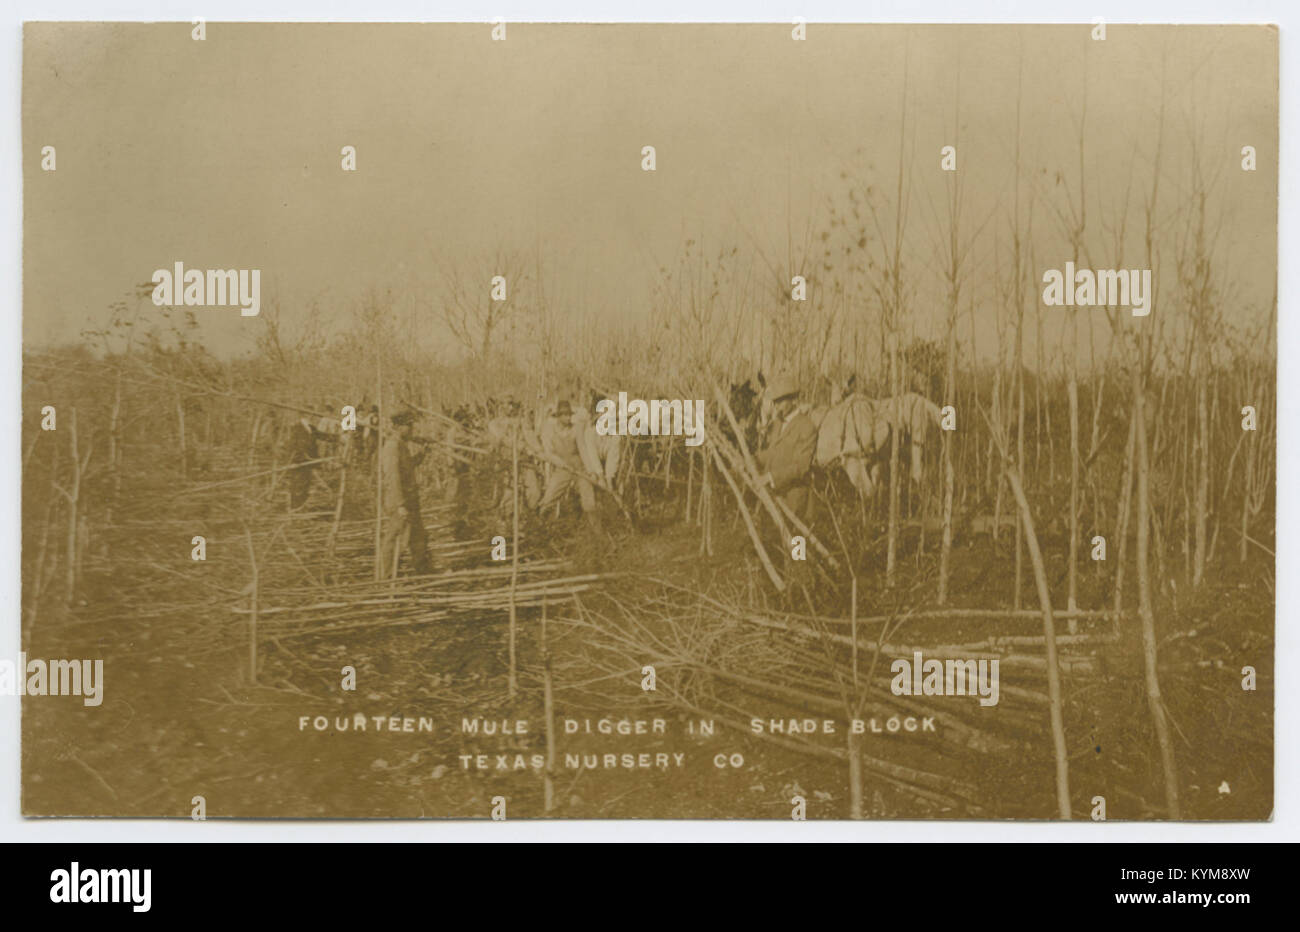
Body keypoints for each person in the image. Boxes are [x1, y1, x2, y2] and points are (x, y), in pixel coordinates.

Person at [755, 374, 819, 518]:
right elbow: (772, 453)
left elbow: (801, 467)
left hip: (794, 501)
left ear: (793, 400)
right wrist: (754, 458)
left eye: (781, 402)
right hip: (773, 498)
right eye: (775, 403)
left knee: (793, 539)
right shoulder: (777, 424)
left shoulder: (807, 427)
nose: (777, 407)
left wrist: (771, 477)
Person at [378, 409, 433, 577]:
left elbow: (407, 467)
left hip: (410, 499)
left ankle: (422, 571)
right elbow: (392, 477)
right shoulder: (392, 447)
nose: (411, 430)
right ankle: (386, 575)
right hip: (399, 501)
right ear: (397, 427)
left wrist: (422, 454)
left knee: (418, 536)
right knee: (394, 537)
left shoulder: (401, 445)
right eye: (408, 426)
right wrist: (400, 504)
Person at [536, 399, 600, 525]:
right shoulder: (550, 430)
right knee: (549, 497)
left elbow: (583, 450)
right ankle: (540, 524)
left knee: (589, 502)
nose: (568, 417)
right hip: (562, 468)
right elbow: (549, 453)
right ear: (558, 417)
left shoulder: (576, 429)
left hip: (579, 468)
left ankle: (596, 532)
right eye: (565, 415)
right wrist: (561, 463)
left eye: (569, 415)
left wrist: (591, 471)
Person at [285, 411, 319, 511]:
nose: (311, 416)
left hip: (309, 461)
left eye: (312, 414)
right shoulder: (296, 427)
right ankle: (294, 506)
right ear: (303, 415)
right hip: (299, 460)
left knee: (306, 483)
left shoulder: (311, 427)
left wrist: (338, 437)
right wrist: (296, 459)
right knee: (297, 484)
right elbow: (292, 445)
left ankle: (301, 506)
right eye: (309, 414)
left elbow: (321, 435)